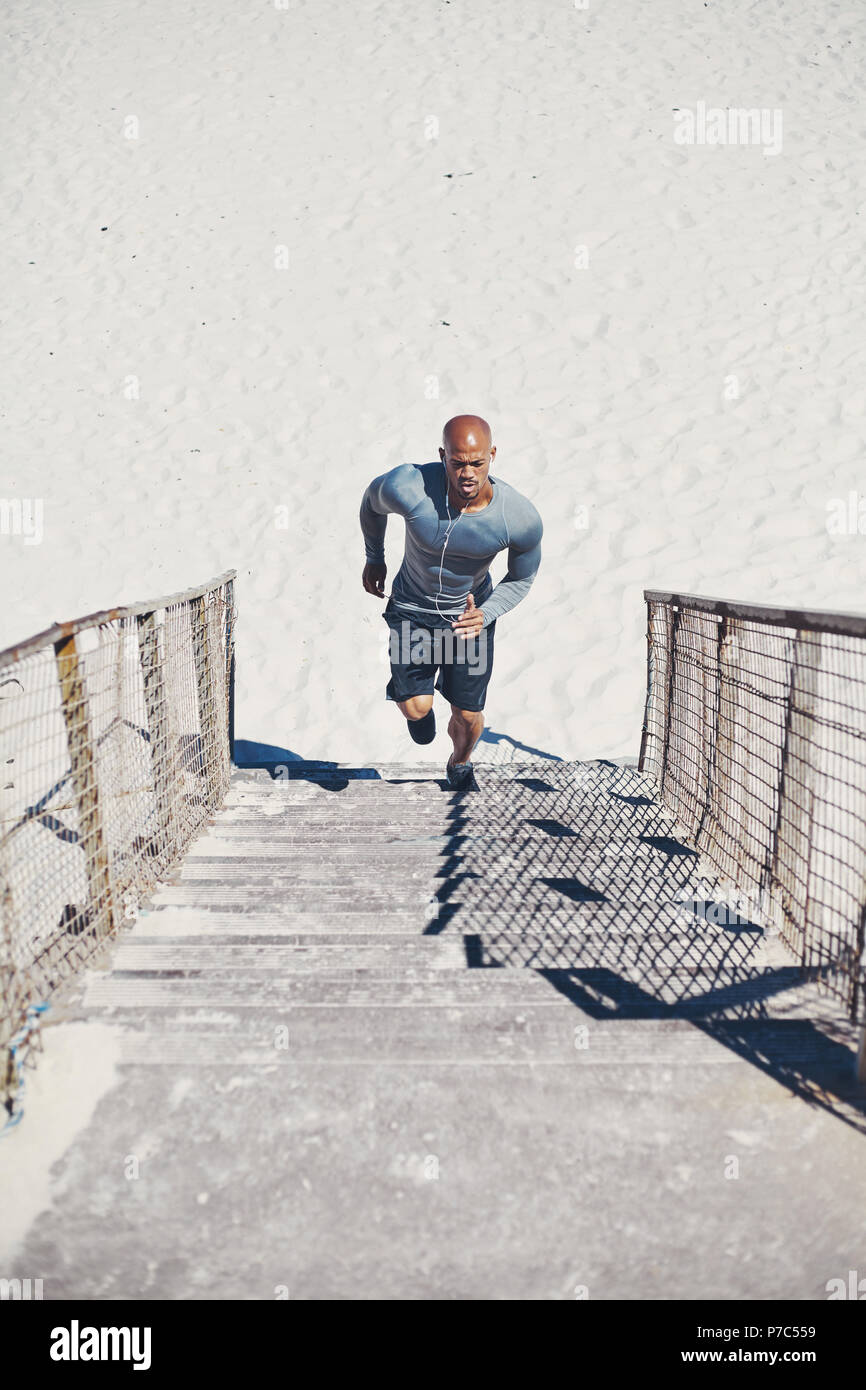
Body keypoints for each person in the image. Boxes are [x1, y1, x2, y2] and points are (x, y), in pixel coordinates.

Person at [359, 414, 543, 790]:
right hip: (411, 609)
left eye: (477, 462)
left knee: (469, 713)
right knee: (417, 708)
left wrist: (486, 614)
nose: (468, 473)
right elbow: (370, 503)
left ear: (492, 455)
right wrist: (374, 556)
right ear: (442, 455)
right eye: (457, 463)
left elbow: (522, 577)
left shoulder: (518, 517)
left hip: (467, 619)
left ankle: (460, 762)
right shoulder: (408, 486)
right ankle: (418, 711)